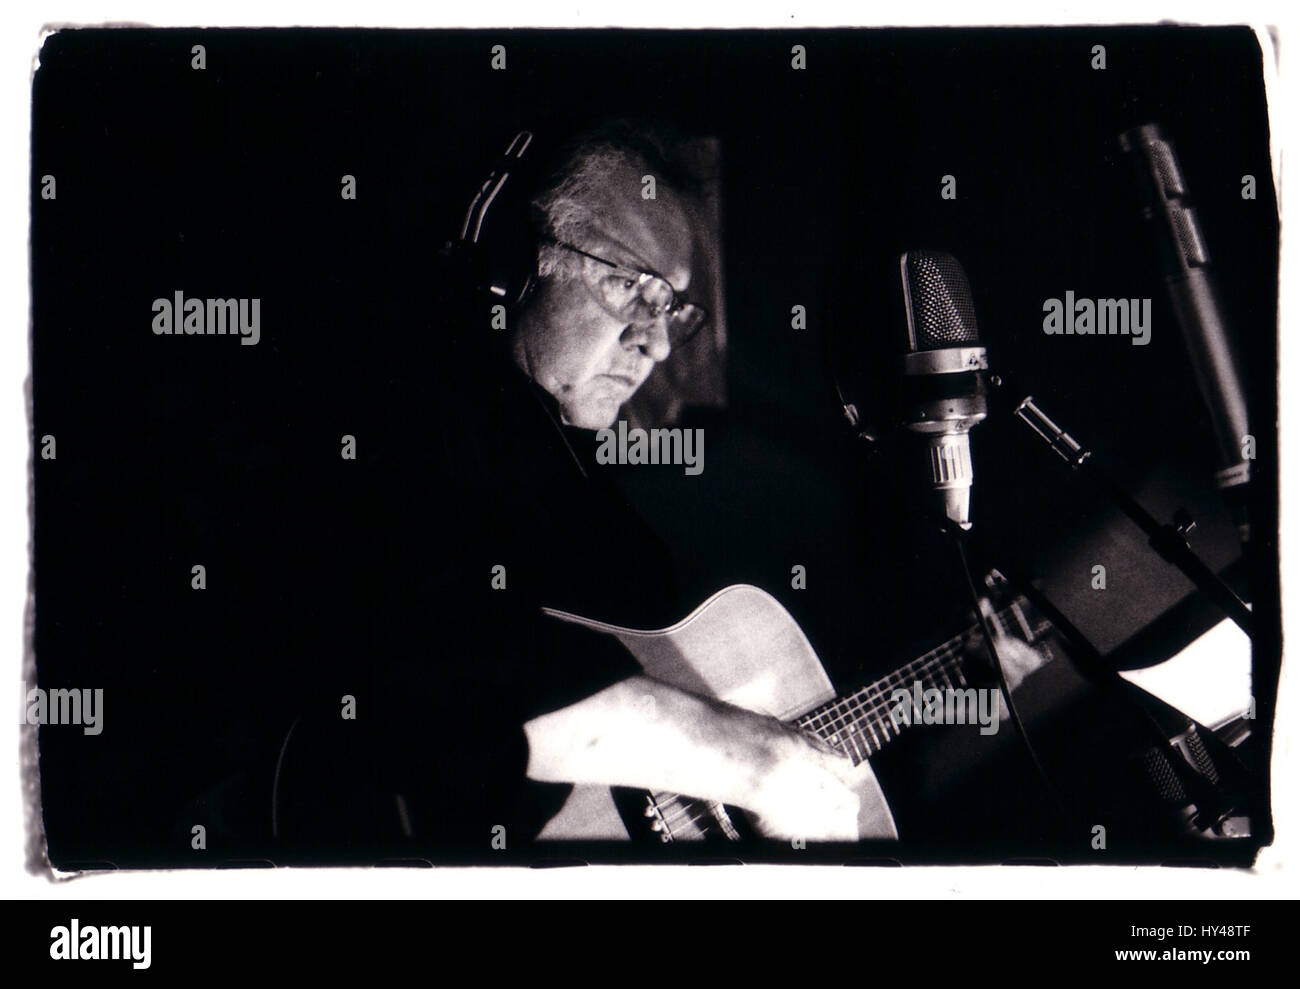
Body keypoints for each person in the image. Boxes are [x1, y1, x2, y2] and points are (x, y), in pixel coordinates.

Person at [274, 120, 1041, 853]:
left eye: (674, 305)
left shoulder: (582, 494)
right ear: (520, 264)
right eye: (634, 285)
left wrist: (957, 673)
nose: (659, 338)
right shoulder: (417, 420)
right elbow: (437, 662)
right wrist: (748, 760)